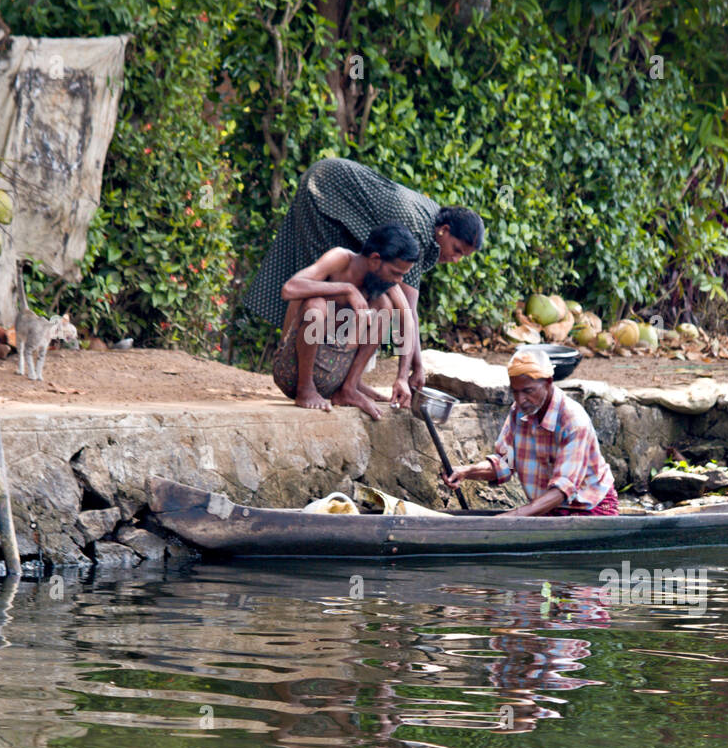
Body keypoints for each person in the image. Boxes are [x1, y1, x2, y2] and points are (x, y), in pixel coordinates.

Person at [244, 157, 484, 391]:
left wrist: (411, 371)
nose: (455, 259)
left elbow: (405, 315)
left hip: (340, 200)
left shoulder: (421, 231)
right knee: (316, 291)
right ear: (444, 230)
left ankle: (349, 381)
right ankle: (289, 360)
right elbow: (410, 310)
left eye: (462, 256)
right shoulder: (414, 232)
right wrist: (347, 289)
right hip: (326, 192)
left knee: (380, 300)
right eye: (456, 250)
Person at [444, 349, 619, 517]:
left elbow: (562, 490)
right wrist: (466, 471)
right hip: (548, 508)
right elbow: (505, 464)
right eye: (515, 391)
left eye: (528, 391)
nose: (520, 400)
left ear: (548, 383)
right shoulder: (519, 412)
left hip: (590, 508)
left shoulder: (573, 421)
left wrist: (510, 517)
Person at [272, 223, 419, 420]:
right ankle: (305, 389)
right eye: (396, 272)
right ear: (375, 259)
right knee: (315, 306)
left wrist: (402, 377)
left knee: (384, 305)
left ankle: (349, 388)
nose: (399, 280)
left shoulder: (385, 281)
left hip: (336, 374)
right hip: (292, 371)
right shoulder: (340, 259)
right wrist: (347, 289)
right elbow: (289, 289)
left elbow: (406, 321)